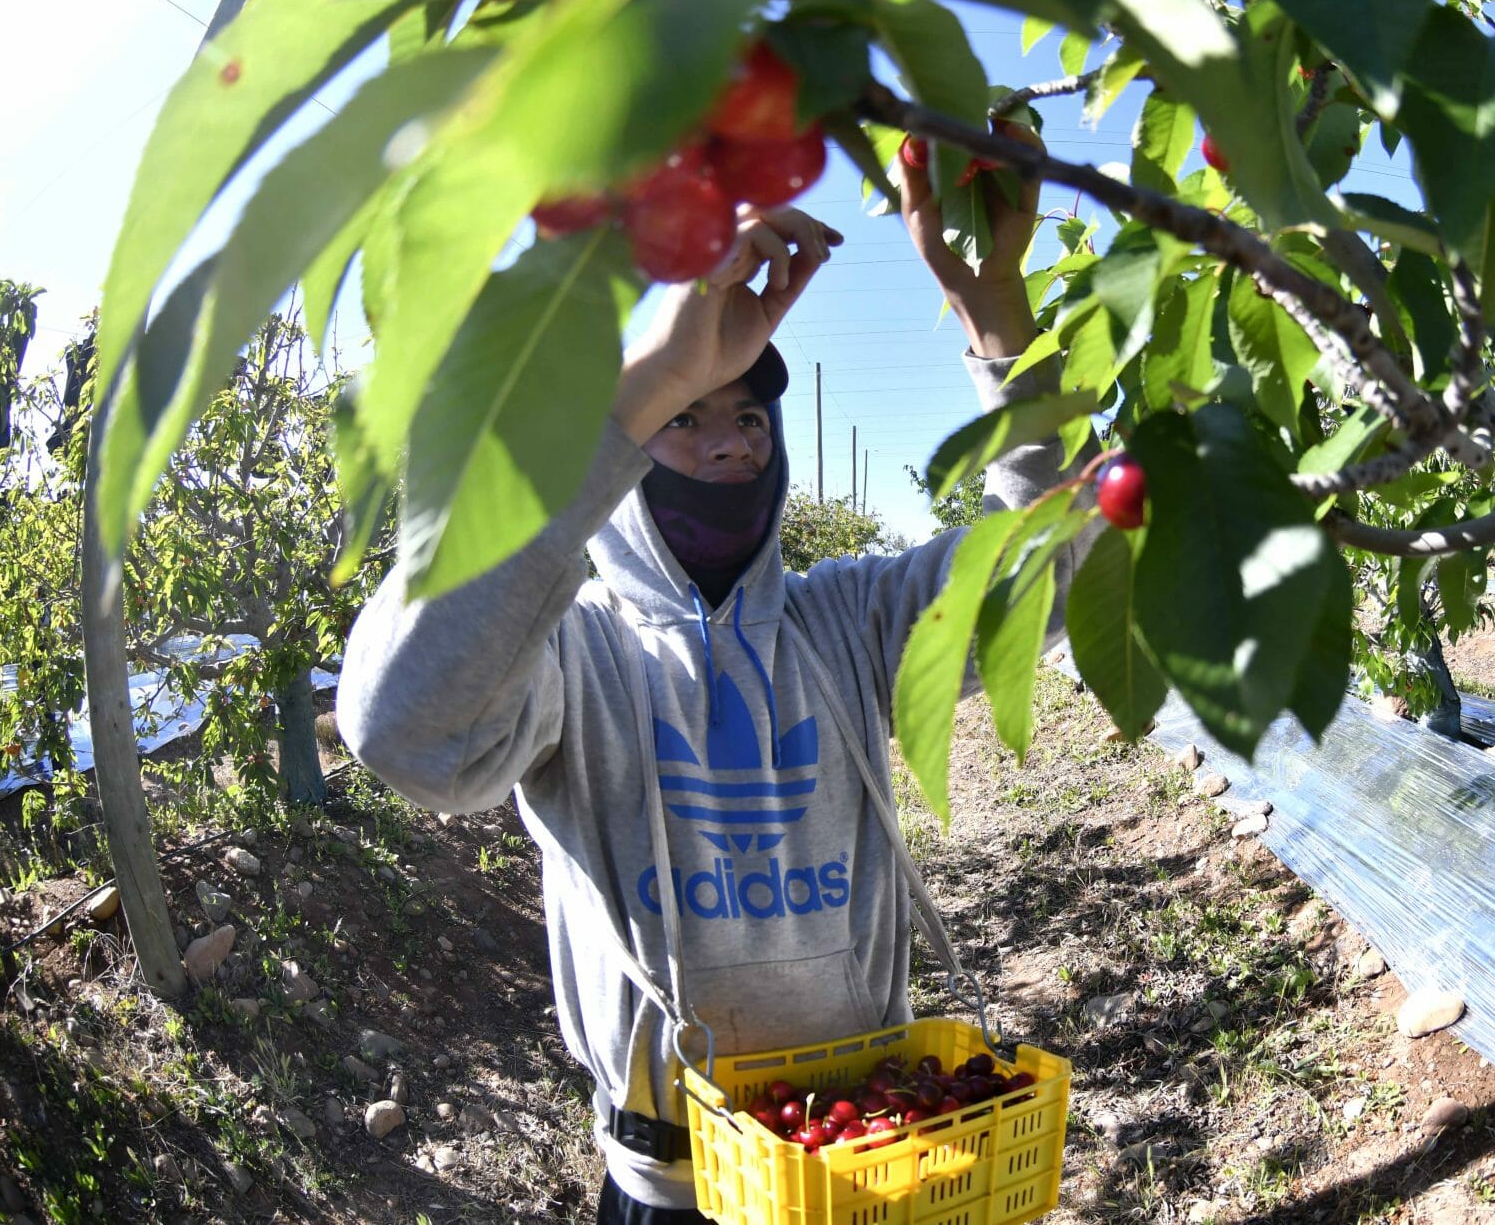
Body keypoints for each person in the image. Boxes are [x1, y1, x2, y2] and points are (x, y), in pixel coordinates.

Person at [339, 154, 1090, 1223]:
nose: (732, 440)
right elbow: (402, 728)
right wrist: (634, 388)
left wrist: (997, 311)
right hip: (676, 1188)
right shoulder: (571, 654)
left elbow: (1066, 561)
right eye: (685, 419)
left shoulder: (849, 621)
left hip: (872, 1161)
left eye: (747, 416)